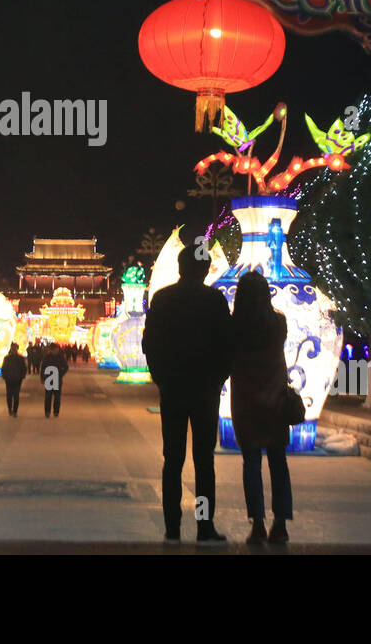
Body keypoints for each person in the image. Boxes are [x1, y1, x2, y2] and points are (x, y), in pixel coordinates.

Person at [143, 227, 233, 545]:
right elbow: (227, 345)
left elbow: (149, 344)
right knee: (204, 462)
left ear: (181, 268)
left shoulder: (163, 299)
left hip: (174, 390)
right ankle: (204, 526)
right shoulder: (215, 300)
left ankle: (172, 527)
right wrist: (217, 379)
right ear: (205, 268)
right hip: (205, 391)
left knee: (173, 460)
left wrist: (162, 379)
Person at [230, 270, 293, 545]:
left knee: (251, 463)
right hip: (275, 401)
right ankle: (280, 524)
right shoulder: (279, 322)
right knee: (278, 462)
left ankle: (257, 524)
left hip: (246, 401)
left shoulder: (234, 328)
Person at [41, 342, 69, 417]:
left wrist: (60, 374)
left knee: (57, 396)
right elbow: (43, 367)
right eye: (55, 349)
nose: (56, 351)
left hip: (57, 378)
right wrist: (42, 378)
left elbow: (66, 367)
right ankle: (47, 411)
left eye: (57, 349)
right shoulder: (47, 357)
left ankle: (56, 411)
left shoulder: (61, 357)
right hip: (49, 379)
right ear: (51, 350)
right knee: (48, 396)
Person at [0, 342, 26, 416]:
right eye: (13, 348)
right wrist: (4, 376)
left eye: (15, 348)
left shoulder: (20, 358)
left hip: (17, 379)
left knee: (16, 395)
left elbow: (23, 368)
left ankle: (15, 411)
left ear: (17, 349)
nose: (14, 349)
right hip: (9, 379)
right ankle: (10, 409)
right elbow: (4, 368)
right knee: (9, 395)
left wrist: (22, 376)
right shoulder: (7, 358)